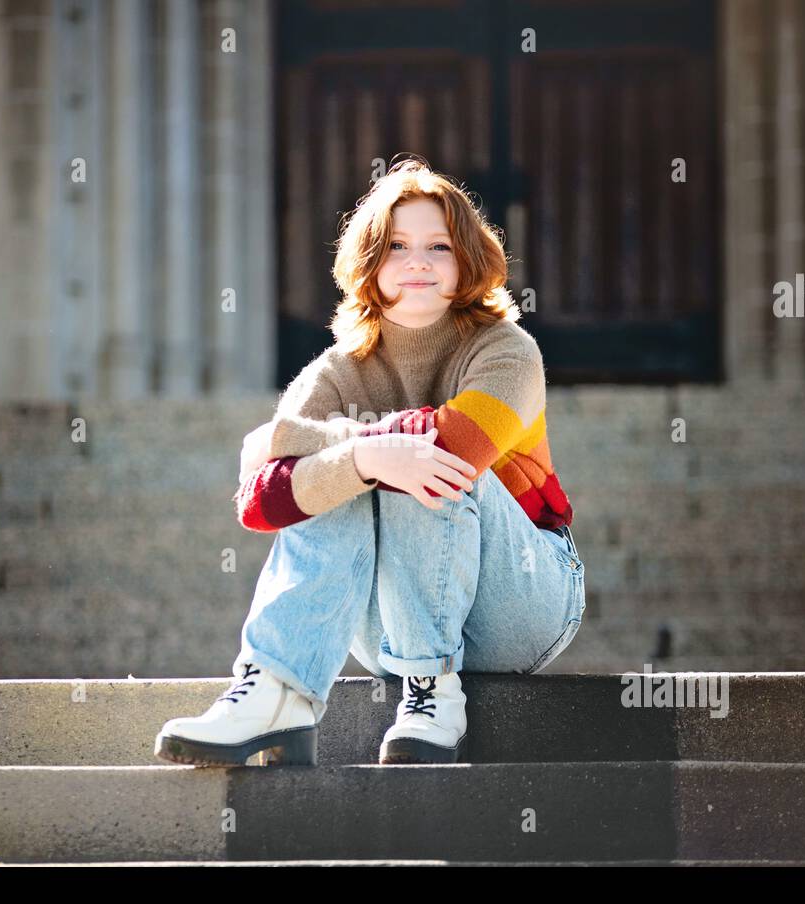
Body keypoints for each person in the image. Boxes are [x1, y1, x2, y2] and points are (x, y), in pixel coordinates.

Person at [155, 159, 584, 768]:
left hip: (519, 601)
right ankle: (277, 691)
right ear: (369, 263)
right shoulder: (335, 369)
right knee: (353, 472)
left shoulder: (507, 351)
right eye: (397, 247)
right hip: (385, 623)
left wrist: (330, 446)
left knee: (418, 462)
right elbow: (263, 501)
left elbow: (452, 452)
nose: (417, 262)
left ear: (466, 261)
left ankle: (433, 689)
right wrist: (358, 457)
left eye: (439, 246)